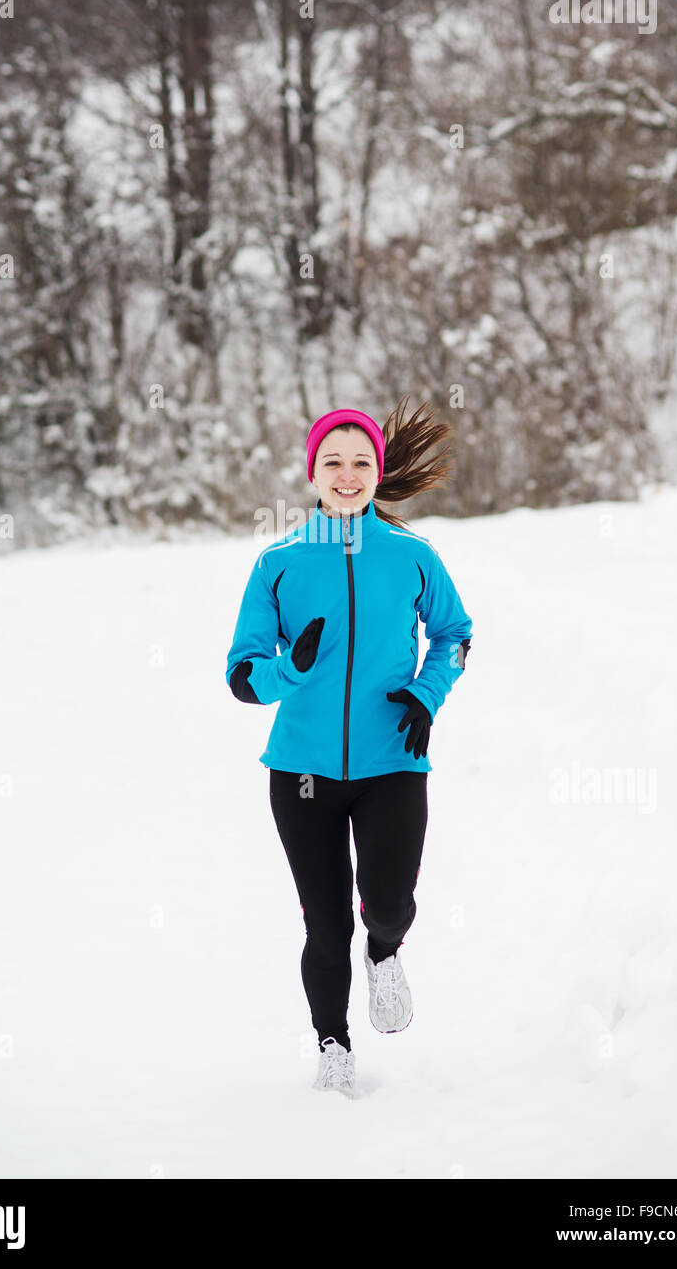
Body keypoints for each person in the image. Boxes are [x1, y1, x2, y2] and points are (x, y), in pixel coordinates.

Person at [224, 398, 473, 1097]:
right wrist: (289, 669)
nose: (346, 473)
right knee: (324, 922)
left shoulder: (412, 557)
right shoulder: (279, 563)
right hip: (300, 773)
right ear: (311, 472)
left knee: (387, 903)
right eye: (331, 461)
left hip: (392, 760)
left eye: (360, 460)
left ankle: (386, 952)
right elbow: (242, 677)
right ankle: (333, 1045)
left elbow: (455, 636)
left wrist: (427, 695)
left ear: (377, 471)